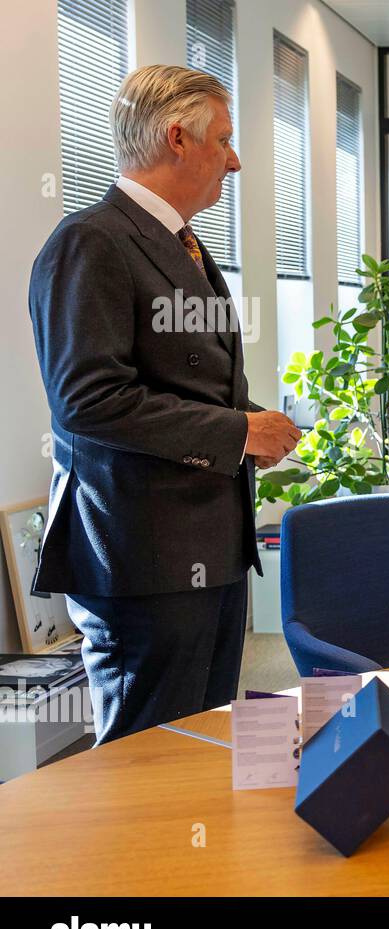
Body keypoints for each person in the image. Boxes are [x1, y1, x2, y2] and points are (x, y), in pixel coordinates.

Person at [28, 65, 301, 745]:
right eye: (225, 141)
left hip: (208, 548)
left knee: (203, 752)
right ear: (177, 137)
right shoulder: (89, 243)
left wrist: (255, 425)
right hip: (143, 560)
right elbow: (88, 401)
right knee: (145, 767)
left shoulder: (186, 243)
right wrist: (239, 432)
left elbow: (188, 383)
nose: (234, 161)